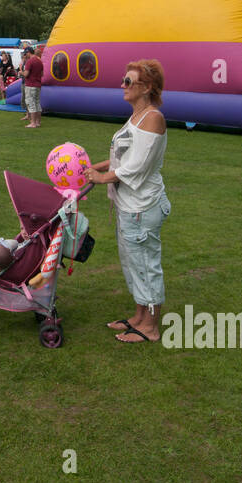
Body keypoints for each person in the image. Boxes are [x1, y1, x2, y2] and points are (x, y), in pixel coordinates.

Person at [88, 60, 170, 344]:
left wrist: (101, 179)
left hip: (142, 206)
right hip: (128, 205)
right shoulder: (137, 116)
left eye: (128, 81)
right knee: (132, 263)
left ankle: (150, 327)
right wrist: (92, 167)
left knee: (146, 264)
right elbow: (121, 156)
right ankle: (139, 316)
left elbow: (136, 167)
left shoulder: (152, 118)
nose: (122, 85)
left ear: (146, 87)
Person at [22, 45, 44, 129]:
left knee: (31, 104)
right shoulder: (39, 61)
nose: (25, 55)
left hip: (30, 85)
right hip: (38, 85)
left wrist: (21, 72)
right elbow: (42, 74)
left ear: (28, 52)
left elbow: (26, 74)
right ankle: (38, 122)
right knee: (37, 103)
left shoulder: (30, 61)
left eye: (25, 53)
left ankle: (33, 123)